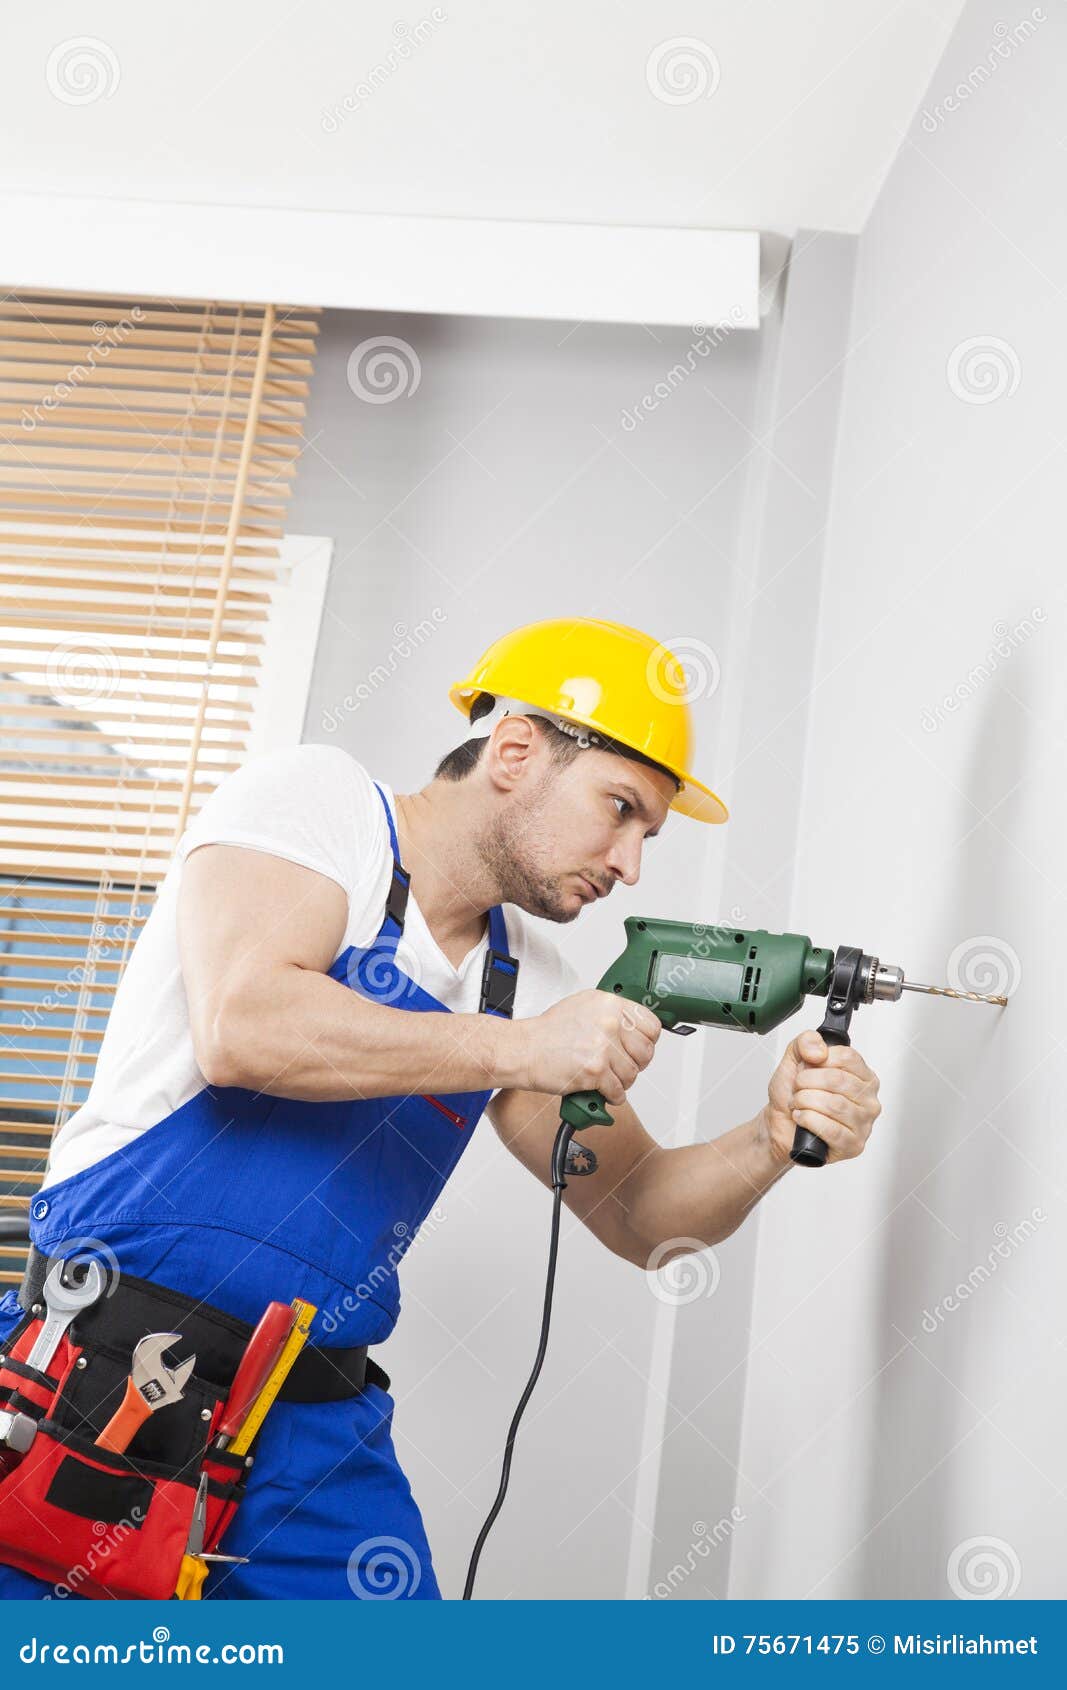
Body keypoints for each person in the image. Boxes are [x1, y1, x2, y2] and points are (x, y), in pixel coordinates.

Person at [0, 617, 880, 1599]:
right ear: (514, 750)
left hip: (311, 1424)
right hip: (94, 1369)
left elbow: (639, 1211)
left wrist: (765, 1139)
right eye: (618, 809)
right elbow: (243, 1025)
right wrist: (520, 1048)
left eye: (647, 836)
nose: (629, 863)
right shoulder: (320, 804)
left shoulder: (526, 973)